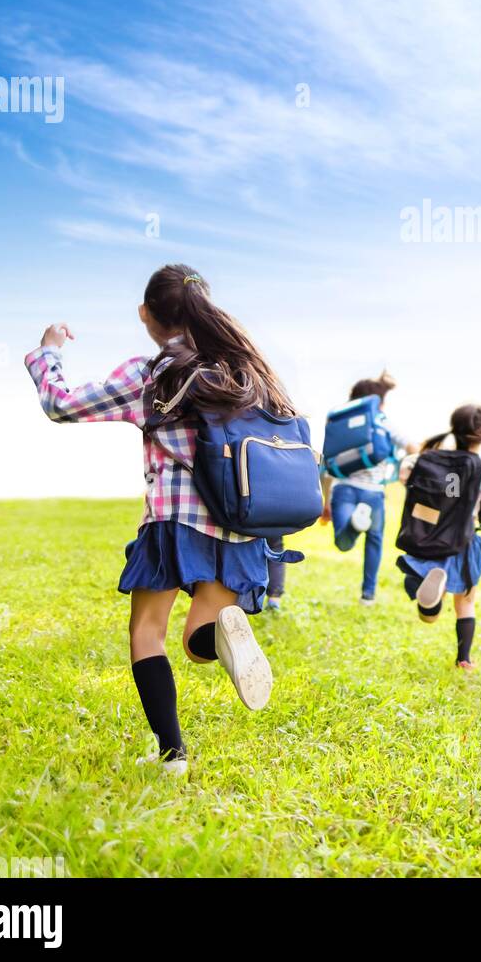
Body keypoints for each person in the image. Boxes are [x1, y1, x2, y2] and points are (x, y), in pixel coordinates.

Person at [24, 264, 291, 774]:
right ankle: (225, 634)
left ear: (146, 313)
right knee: (199, 642)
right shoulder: (245, 371)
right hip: (239, 525)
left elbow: (61, 405)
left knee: (148, 633)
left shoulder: (149, 374)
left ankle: (173, 755)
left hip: (174, 521)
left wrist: (50, 350)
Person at [396, 405, 481, 671]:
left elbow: (405, 473)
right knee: (466, 602)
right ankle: (464, 659)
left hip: (424, 540)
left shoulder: (423, 461)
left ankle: (433, 599)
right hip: (462, 544)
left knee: (429, 618)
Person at [322, 371, 415, 604]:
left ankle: (353, 526)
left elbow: (327, 464)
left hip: (343, 488)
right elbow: (413, 447)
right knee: (374, 542)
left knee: (343, 543)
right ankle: (368, 595)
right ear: (378, 402)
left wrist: (325, 502)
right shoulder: (383, 421)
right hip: (374, 492)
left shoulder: (337, 420)